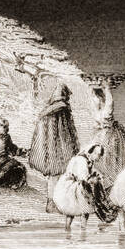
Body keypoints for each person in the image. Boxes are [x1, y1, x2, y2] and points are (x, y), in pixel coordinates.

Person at [30, 79, 80, 212]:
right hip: (58, 148)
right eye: (67, 95)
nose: (68, 98)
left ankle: (55, 203)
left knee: (58, 176)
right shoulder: (61, 107)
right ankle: (53, 204)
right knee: (57, 176)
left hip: (56, 148)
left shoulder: (51, 110)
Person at [52, 144, 117, 234]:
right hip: (71, 185)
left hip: (78, 184)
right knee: (77, 208)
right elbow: (83, 177)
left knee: (82, 208)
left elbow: (91, 172)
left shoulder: (89, 160)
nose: (99, 157)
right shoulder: (81, 160)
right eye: (98, 154)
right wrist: (93, 179)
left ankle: (80, 230)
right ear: (92, 153)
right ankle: (74, 230)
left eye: (100, 155)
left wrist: (98, 176)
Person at [87, 82, 125, 187]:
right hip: (100, 136)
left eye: (97, 98)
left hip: (109, 138)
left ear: (101, 98)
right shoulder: (97, 111)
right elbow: (93, 100)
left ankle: (110, 184)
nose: (95, 101)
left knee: (109, 160)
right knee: (97, 159)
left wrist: (107, 88)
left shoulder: (106, 111)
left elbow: (110, 102)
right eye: (95, 98)